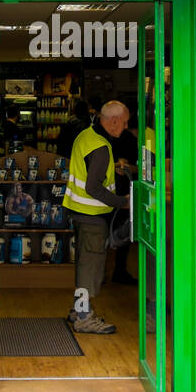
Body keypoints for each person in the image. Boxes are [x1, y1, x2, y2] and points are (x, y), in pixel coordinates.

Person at [62, 99, 130, 334]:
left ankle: (77, 310)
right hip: (92, 214)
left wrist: (114, 169)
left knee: (84, 266)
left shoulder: (87, 135)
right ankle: (83, 317)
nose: (126, 127)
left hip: (79, 212)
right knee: (90, 270)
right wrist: (122, 202)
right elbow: (94, 187)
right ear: (113, 121)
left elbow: (89, 172)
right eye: (124, 122)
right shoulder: (100, 146)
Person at [101, 107, 140, 285]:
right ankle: (113, 271)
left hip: (113, 191)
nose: (124, 126)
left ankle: (109, 272)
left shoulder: (121, 139)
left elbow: (137, 167)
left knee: (115, 231)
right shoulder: (102, 138)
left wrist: (125, 167)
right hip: (114, 191)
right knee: (116, 231)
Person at [56, 98, 93, 162]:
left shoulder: (68, 123)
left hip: (66, 158)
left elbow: (60, 144)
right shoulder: (85, 127)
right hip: (78, 160)